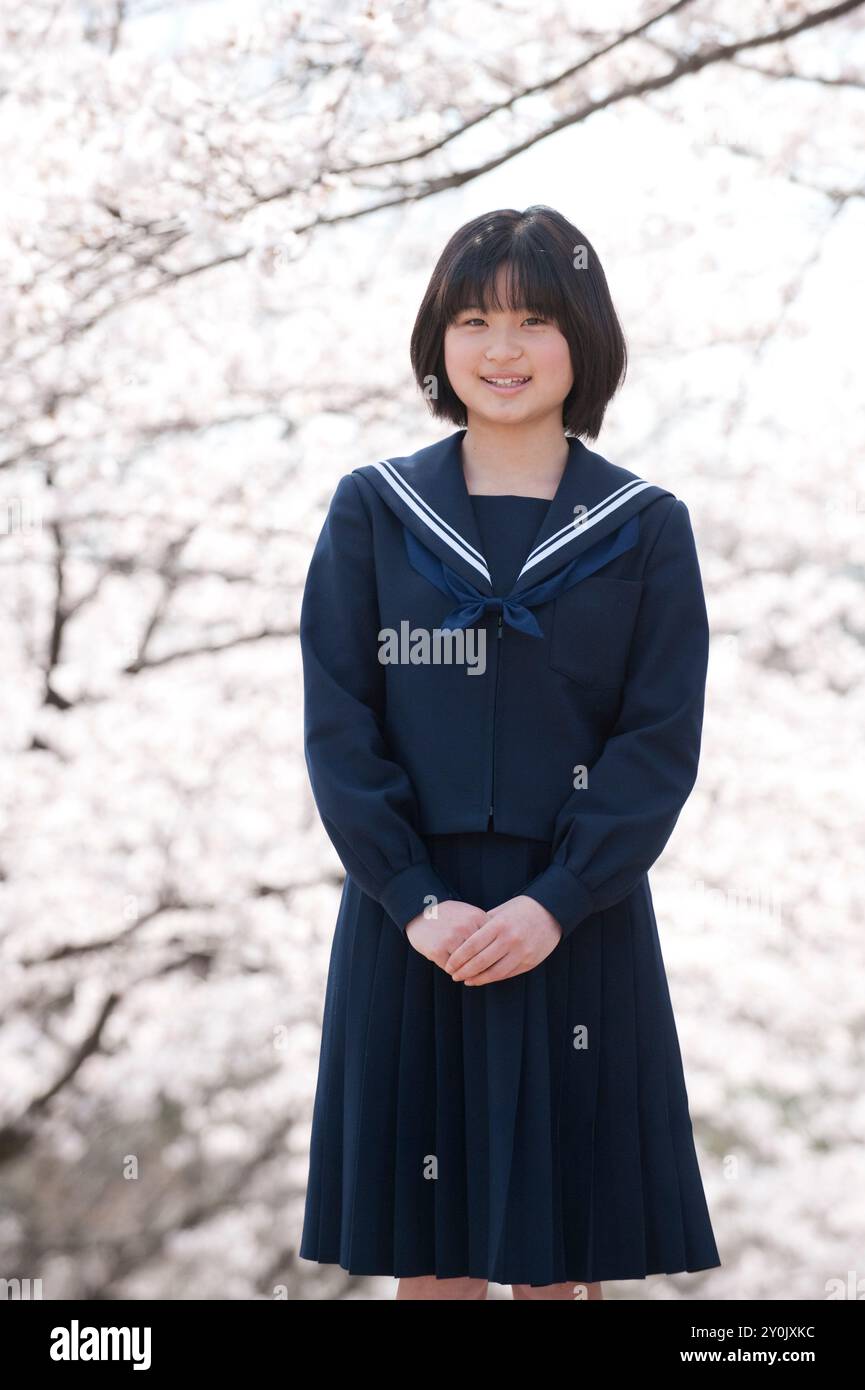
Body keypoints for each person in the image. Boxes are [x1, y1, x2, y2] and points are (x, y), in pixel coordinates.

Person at [298, 205, 721, 1300]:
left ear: (583, 337)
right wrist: (411, 896)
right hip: (414, 925)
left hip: (575, 919)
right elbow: (340, 724)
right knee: (429, 1266)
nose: (500, 348)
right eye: (473, 318)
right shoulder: (373, 513)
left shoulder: (644, 523)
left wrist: (558, 899)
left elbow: (657, 737)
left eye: (532, 319)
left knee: (557, 1268)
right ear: (438, 338)